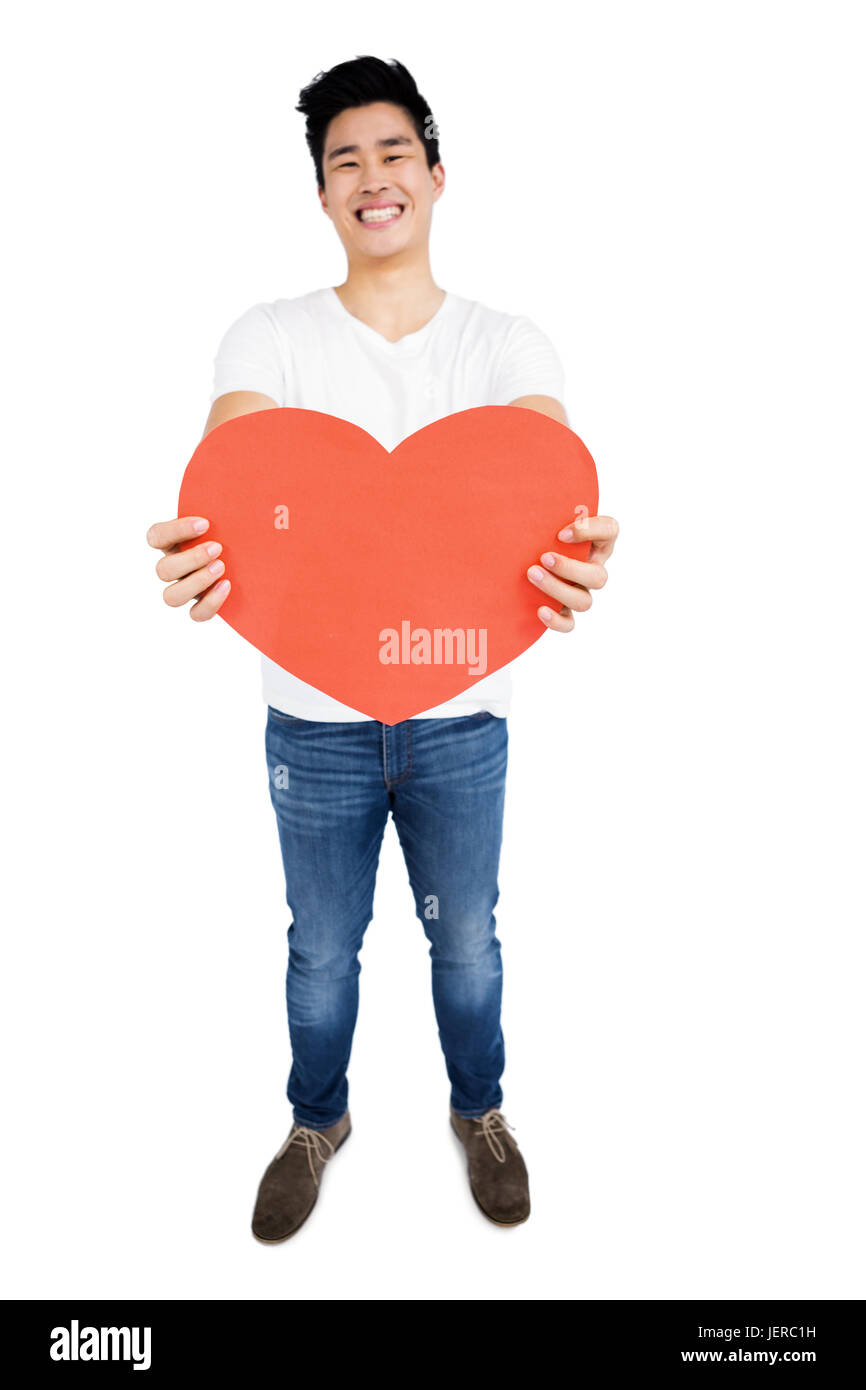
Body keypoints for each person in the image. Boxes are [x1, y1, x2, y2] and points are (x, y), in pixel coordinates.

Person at [146, 56, 619, 1242]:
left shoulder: (505, 344)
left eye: (392, 152)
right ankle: (318, 1118)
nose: (371, 177)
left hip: (465, 714)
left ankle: (481, 1109)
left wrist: (568, 551)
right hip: (313, 722)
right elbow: (238, 454)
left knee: (467, 937)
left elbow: (539, 463)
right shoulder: (269, 334)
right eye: (343, 160)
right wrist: (212, 540)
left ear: (435, 174)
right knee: (319, 946)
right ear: (321, 196)